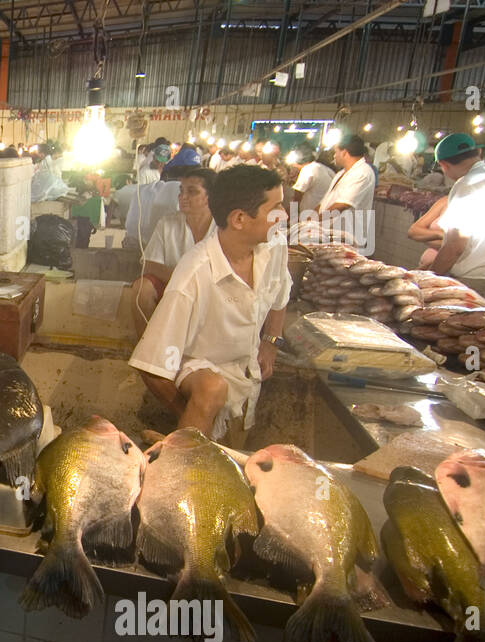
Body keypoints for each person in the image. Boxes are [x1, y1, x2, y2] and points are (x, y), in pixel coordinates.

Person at [130, 165, 290, 443]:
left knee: (232, 464)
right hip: (201, 373)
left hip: (247, 378)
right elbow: (150, 366)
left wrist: (271, 341)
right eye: (276, 208)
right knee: (211, 389)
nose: (284, 216)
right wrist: (197, 427)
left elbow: (280, 293)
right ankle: (182, 449)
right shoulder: (194, 274)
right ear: (239, 218)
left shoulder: (274, 246)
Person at [420, 133, 485, 306]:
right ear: (479, 153)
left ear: (444, 165)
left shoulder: (467, 186)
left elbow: (455, 246)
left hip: (476, 281)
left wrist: (429, 282)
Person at [129, 167, 217, 337]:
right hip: (172, 286)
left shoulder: (223, 228)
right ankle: (147, 347)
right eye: (181, 191)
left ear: (209, 198)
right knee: (142, 289)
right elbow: (148, 263)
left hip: (211, 290)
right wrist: (181, 280)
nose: (183, 197)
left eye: (192, 192)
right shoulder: (167, 223)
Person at [290, 146, 335, 213]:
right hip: (327, 212)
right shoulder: (325, 168)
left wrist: (291, 215)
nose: (293, 170)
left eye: (294, 167)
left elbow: (297, 196)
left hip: (312, 214)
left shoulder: (307, 169)